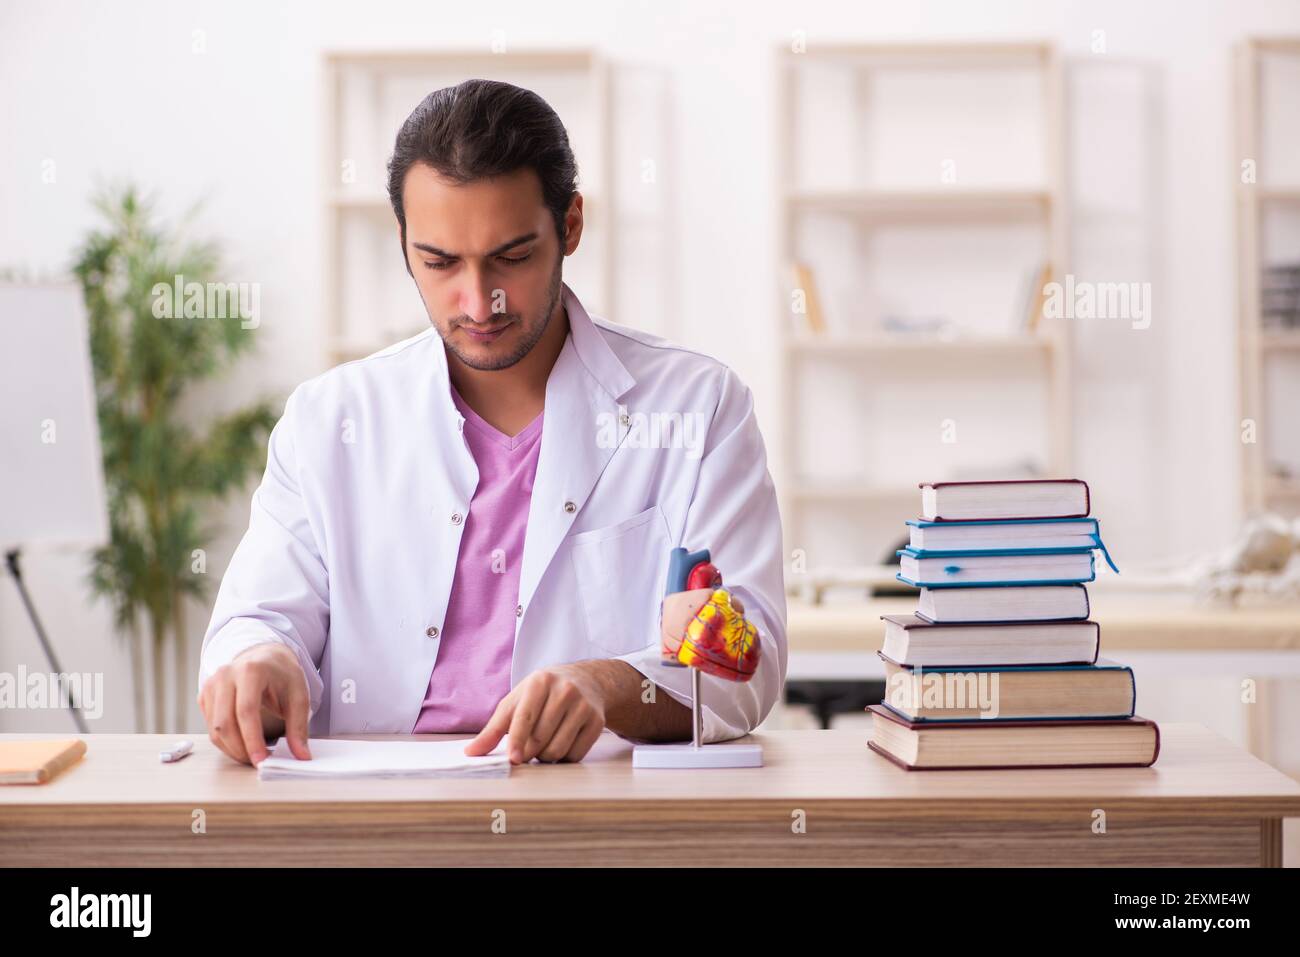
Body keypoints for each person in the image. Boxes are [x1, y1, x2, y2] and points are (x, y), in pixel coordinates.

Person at [197, 78, 786, 766]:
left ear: (569, 225)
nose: (479, 301)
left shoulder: (696, 406)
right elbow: (257, 618)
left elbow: (749, 668)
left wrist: (608, 684)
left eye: (511, 256)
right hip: (371, 818)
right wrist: (259, 659)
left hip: (584, 815)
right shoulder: (330, 421)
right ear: (404, 242)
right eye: (440, 262)